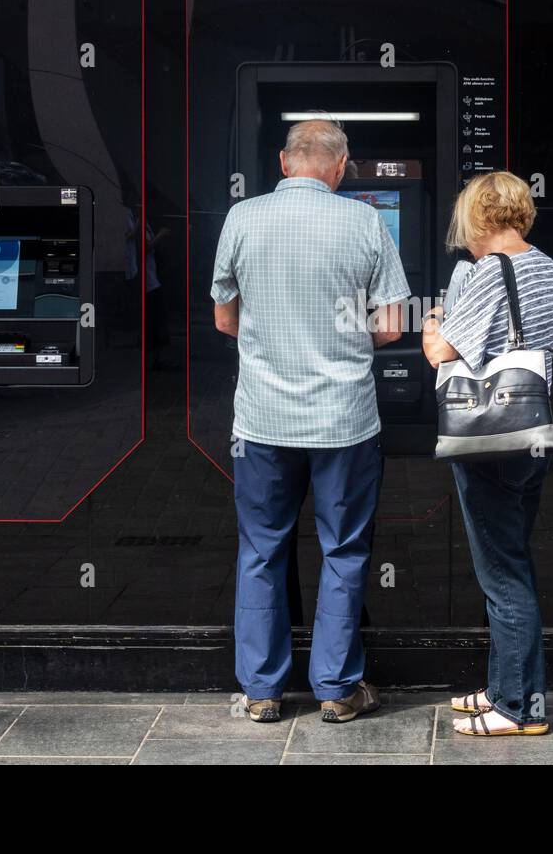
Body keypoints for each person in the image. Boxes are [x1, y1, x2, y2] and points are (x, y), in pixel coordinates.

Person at [210, 118, 410, 724]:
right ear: (341, 166)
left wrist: (277, 345)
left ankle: (263, 690)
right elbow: (393, 326)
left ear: (283, 161)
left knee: (261, 552)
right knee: (343, 551)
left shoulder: (241, 219)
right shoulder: (366, 222)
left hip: (263, 421)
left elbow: (223, 319)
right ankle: (336, 689)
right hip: (344, 422)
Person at [421, 171, 553, 737]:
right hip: (530, 429)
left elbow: (440, 351)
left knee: (502, 574)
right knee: (513, 560)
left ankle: (518, 709)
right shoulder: (546, 266)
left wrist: (434, 316)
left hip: (488, 439)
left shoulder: (483, 274)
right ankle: (507, 686)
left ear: (479, 216)